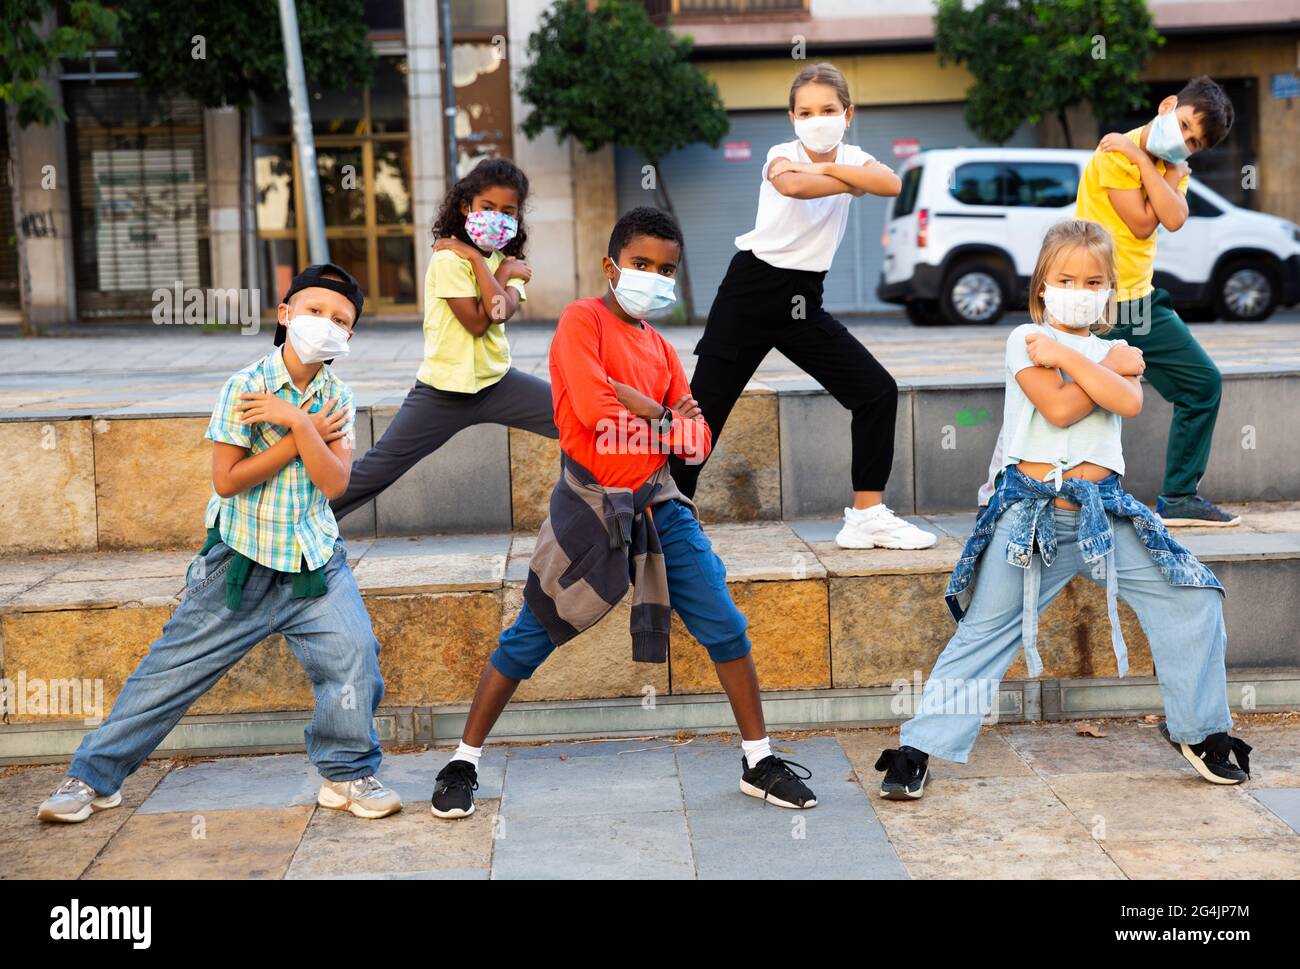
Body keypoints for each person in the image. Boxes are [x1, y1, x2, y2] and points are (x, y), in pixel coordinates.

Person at [429, 207, 818, 819]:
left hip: (660, 506)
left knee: (725, 624)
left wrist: (641, 410)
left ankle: (758, 758)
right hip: (587, 506)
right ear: (612, 266)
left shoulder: (661, 348)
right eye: (641, 265)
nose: (653, 277)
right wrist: (658, 421)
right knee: (532, 633)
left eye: (666, 270)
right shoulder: (581, 322)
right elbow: (592, 416)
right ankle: (463, 760)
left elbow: (700, 443)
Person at [877, 221, 1251, 801]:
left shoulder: (1117, 351)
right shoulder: (1026, 340)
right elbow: (1055, 409)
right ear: (1044, 285)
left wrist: (1082, 361)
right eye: (1067, 278)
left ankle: (1200, 733)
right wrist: (1100, 365)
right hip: (1032, 516)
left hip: (1106, 516)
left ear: (1109, 289)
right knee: (984, 631)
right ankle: (917, 749)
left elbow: (1127, 401)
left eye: (1094, 280)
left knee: (1194, 597)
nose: (1081, 288)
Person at [38, 264, 402, 823]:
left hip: (315, 566)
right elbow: (228, 480)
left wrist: (299, 425)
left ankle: (347, 775)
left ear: (348, 338)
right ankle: (91, 779)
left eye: (340, 320)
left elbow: (334, 484)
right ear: (285, 314)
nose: (325, 324)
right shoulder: (244, 386)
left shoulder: (339, 397)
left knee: (354, 661)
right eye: (314, 311)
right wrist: (302, 433)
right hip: (239, 564)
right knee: (170, 673)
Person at [667, 62, 936, 551]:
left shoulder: (853, 155)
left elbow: (893, 184)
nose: (818, 118)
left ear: (847, 113)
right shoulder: (779, 155)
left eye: (829, 109)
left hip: (801, 300)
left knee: (876, 391)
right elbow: (792, 185)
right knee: (704, 414)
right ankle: (664, 515)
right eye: (806, 111)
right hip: (749, 292)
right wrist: (851, 179)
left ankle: (867, 516)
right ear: (792, 118)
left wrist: (831, 167)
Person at [978, 76, 1239, 528]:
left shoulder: (1169, 164)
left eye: (1194, 143)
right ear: (1167, 105)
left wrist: (1164, 168)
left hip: (1140, 303)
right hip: (1089, 303)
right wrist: (1146, 161)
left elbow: (1175, 219)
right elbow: (1141, 224)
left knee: (1202, 385)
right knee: (1042, 393)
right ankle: (1000, 485)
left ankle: (1178, 496)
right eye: (1182, 126)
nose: (1184, 142)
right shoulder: (1116, 154)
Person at [331, 158, 557, 523]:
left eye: (508, 211)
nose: (497, 216)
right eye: (487, 207)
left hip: (498, 383)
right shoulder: (450, 261)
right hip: (442, 393)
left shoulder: (505, 260)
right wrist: (485, 264)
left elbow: (498, 312)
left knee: (575, 419)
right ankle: (295, 531)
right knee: (377, 470)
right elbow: (476, 324)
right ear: (466, 207)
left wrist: (488, 264)